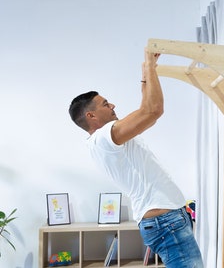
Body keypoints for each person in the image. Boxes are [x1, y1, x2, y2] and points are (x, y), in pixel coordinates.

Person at [68, 49, 203, 268]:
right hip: (166, 222)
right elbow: (153, 110)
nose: (112, 106)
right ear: (90, 116)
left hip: (167, 220)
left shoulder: (106, 140)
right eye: (105, 104)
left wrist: (146, 73)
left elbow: (146, 107)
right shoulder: (104, 137)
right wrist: (149, 66)